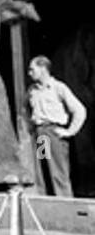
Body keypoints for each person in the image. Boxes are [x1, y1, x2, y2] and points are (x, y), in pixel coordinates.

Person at [27, 56, 87, 198]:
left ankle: (65, 206)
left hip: (54, 133)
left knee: (58, 173)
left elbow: (79, 110)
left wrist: (70, 131)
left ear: (42, 69)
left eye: (32, 69)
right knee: (43, 171)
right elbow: (25, 110)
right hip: (41, 134)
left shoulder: (58, 88)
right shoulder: (32, 90)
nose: (29, 73)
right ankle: (47, 205)